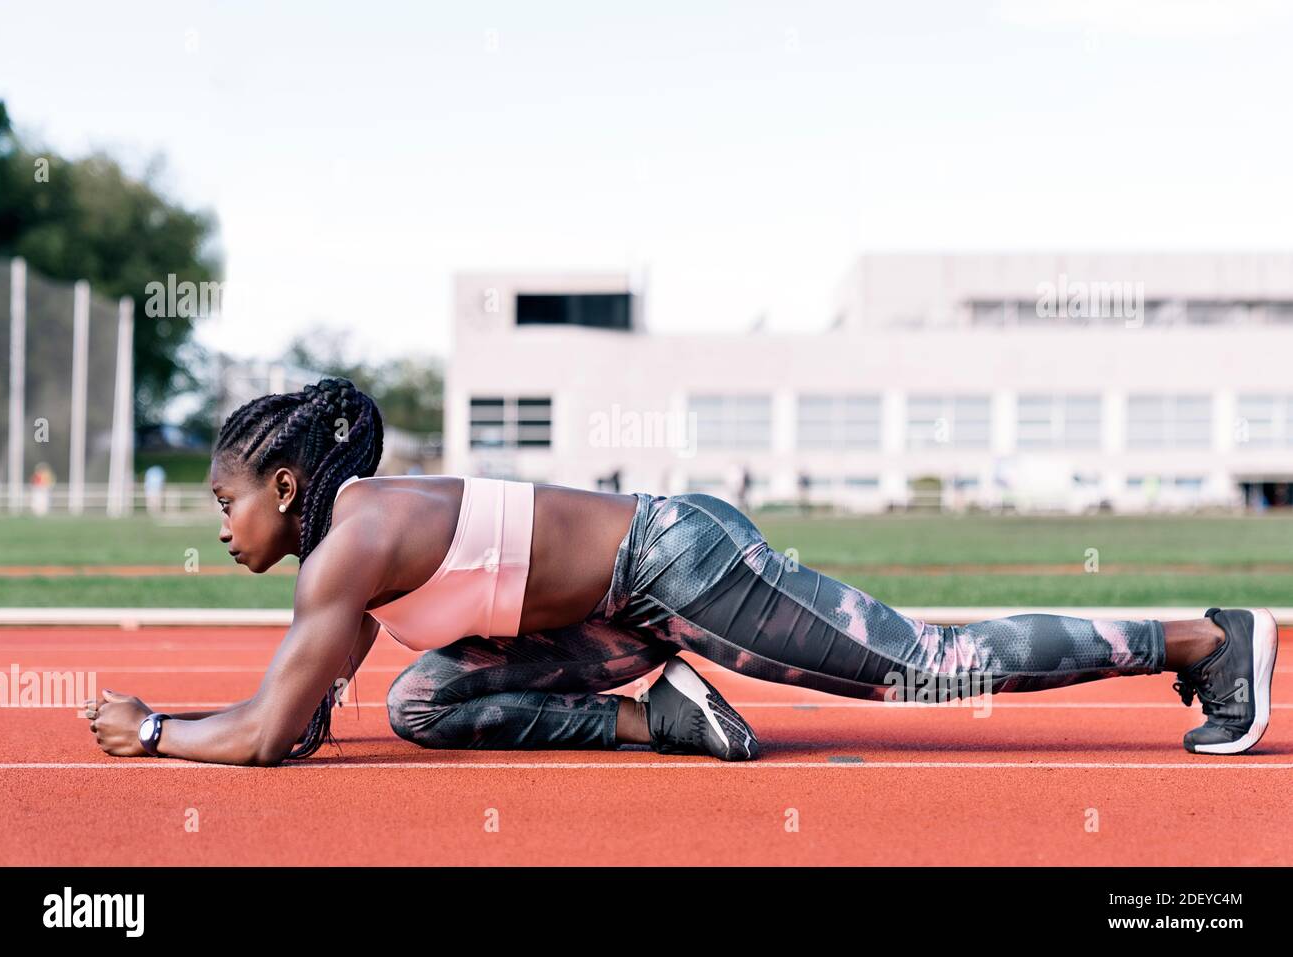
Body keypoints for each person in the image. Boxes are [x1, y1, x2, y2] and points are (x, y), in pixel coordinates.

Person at [85, 377, 1278, 765]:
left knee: (916, 670)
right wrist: (233, 727)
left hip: (675, 558)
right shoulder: (346, 559)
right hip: (616, 614)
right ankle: (658, 710)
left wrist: (150, 733)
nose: (221, 525)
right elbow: (296, 725)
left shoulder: (348, 550)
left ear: (285, 490)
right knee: (423, 702)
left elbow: (257, 741)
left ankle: (1205, 642)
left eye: (224, 502)